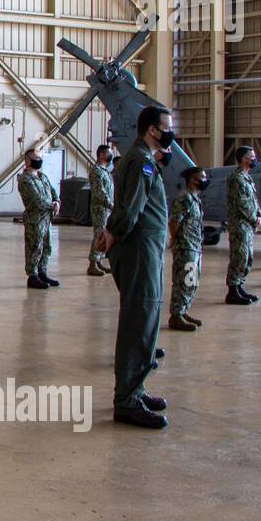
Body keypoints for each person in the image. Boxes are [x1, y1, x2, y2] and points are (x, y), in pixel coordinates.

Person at [97, 105, 174, 430]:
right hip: (139, 249)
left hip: (146, 249)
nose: (171, 132)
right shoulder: (141, 161)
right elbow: (130, 208)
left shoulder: (143, 159)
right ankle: (126, 400)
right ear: (152, 130)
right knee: (138, 321)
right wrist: (114, 233)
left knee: (146, 320)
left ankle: (135, 389)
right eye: (167, 127)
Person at [168, 166, 207, 332]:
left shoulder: (194, 198)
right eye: (202, 177)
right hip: (186, 247)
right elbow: (174, 222)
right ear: (192, 179)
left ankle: (183, 311)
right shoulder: (185, 199)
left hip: (194, 246)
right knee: (183, 282)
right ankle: (176, 315)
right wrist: (178, 240)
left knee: (191, 282)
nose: (205, 180)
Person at [17, 149, 60, 289]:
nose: (39, 160)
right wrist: (52, 205)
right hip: (35, 219)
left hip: (47, 218)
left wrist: (57, 201)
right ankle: (32, 276)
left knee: (46, 247)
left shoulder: (42, 176)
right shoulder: (25, 179)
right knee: (34, 247)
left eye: (40, 157)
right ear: (28, 160)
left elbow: (53, 192)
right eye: (36, 158)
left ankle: (42, 272)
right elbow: (36, 200)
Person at [225, 145, 261, 305]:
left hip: (247, 225)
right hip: (239, 224)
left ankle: (239, 286)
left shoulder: (246, 177)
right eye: (252, 157)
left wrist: (259, 214)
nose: (254, 159)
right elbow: (242, 203)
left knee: (247, 258)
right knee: (239, 257)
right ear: (244, 159)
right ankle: (232, 291)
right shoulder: (237, 178)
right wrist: (254, 218)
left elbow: (253, 200)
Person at [87, 144, 113, 276]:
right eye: (108, 153)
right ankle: (92, 264)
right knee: (99, 234)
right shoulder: (96, 171)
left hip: (106, 208)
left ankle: (98, 261)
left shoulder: (105, 171)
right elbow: (100, 192)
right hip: (100, 208)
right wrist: (111, 205)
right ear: (101, 154)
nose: (110, 155)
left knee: (104, 234)